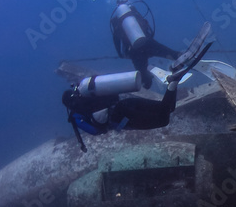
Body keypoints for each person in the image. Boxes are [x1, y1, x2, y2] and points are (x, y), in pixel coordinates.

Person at [62, 21, 212, 152]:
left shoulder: (75, 115)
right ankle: (173, 79)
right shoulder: (86, 92)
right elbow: (113, 94)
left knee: (164, 119)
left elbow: (95, 131)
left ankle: (173, 81)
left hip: (122, 119)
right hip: (126, 103)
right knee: (167, 108)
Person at [110, 0, 181, 89]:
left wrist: (120, 54)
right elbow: (146, 24)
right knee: (170, 53)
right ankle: (180, 57)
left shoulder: (116, 21)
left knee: (144, 79)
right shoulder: (132, 11)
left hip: (134, 51)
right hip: (147, 43)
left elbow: (116, 39)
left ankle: (147, 80)